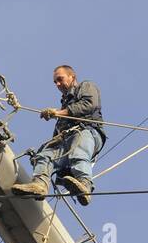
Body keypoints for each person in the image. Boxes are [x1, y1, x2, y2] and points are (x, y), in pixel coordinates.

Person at [12, 66, 105, 206]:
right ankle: (39, 185)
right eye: (55, 82)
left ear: (72, 76)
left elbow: (89, 105)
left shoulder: (86, 86)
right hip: (66, 137)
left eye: (60, 79)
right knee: (45, 156)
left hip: (86, 131)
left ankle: (84, 185)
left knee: (78, 153)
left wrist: (58, 113)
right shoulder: (65, 103)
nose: (57, 84)